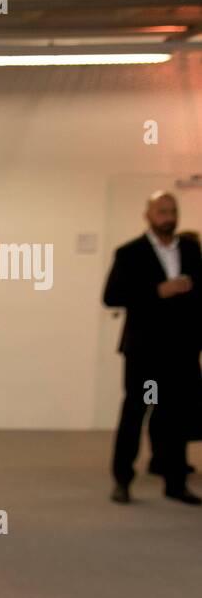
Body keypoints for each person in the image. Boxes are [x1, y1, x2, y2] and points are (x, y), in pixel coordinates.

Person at [103, 190, 202, 505]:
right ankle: (122, 480)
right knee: (136, 412)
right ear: (147, 214)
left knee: (175, 416)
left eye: (172, 211)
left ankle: (175, 482)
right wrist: (157, 291)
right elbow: (112, 296)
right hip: (145, 351)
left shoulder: (190, 248)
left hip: (182, 351)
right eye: (162, 211)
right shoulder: (130, 253)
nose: (168, 217)